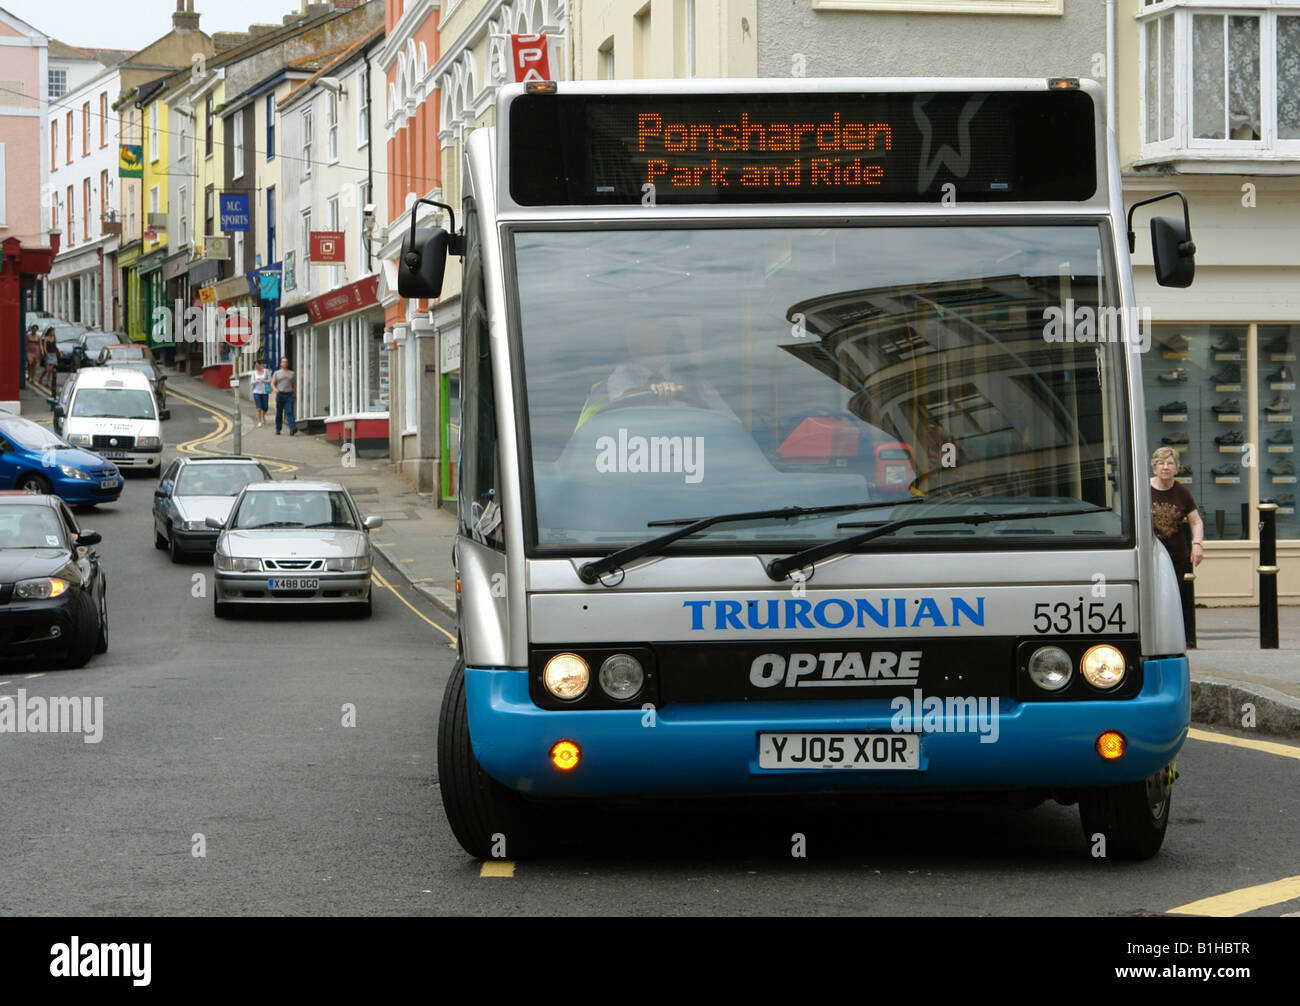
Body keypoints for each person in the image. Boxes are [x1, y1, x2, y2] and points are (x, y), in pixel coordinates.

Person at [1150, 446, 1204, 577]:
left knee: (1173, 595)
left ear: (1176, 468)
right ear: (1154, 467)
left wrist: (1197, 544)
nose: (1165, 467)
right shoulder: (1143, 490)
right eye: (1161, 463)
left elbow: (1196, 522)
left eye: (1170, 463)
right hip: (1150, 554)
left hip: (1176, 556)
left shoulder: (1183, 492)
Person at [272, 356, 297, 436]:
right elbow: (272, 383)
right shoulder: (277, 373)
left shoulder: (291, 373)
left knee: (290, 412)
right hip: (280, 395)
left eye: (286, 362)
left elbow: (293, 384)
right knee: (279, 413)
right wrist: (275, 389)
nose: (285, 363)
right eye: (283, 362)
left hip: (289, 395)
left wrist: (295, 394)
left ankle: (292, 428)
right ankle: (278, 429)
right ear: (280, 363)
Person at [250, 360, 271, 428]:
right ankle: (259, 421)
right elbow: (252, 382)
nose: (256, 367)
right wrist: (257, 381)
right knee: (259, 407)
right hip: (256, 392)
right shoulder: (254, 373)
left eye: (257, 365)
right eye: (255, 366)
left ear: (260, 364)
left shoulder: (266, 371)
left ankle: (263, 416)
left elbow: (270, 380)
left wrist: (263, 380)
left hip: (264, 392)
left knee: (265, 407)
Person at [40, 326, 60, 394]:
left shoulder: (54, 338)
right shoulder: (46, 338)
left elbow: (55, 346)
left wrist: (59, 352)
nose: (53, 333)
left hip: (53, 354)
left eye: (54, 332)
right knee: (47, 369)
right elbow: (44, 347)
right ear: (49, 332)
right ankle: (41, 378)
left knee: (51, 370)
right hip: (49, 354)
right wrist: (46, 354)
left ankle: (48, 382)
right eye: (52, 331)